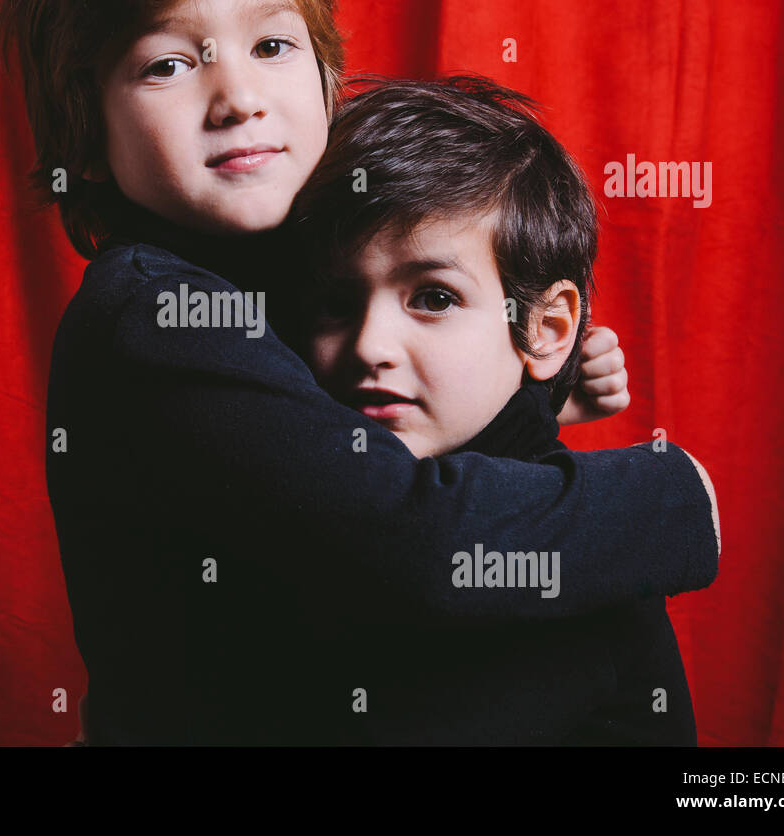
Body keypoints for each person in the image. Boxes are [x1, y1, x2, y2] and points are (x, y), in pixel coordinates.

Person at [0, 0, 718, 744]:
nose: (236, 98)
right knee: (585, 623)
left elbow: (324, 436)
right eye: (167, 65)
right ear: (89, 132)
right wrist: (671, 495)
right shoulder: (157, 309)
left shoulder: (271, 264)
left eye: (270, 44)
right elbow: (409, 538)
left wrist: (541, 387)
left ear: (325, 76)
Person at [283, 75, 704, 744]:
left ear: (547, 327)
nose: (368, 345)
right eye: (336, 303)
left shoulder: (575, 570)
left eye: (434, 298)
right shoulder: (307, 493)